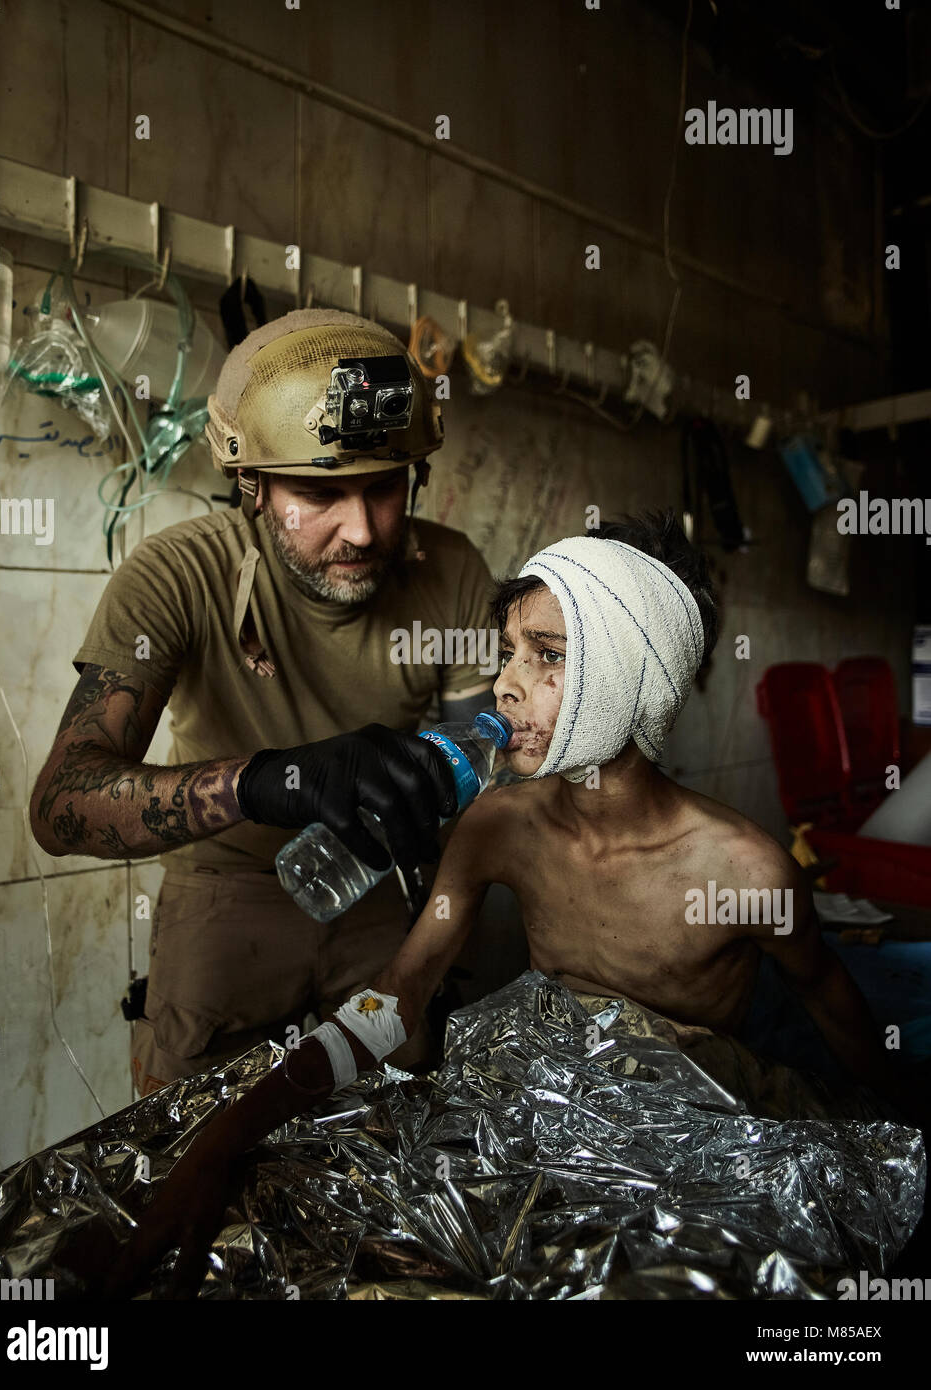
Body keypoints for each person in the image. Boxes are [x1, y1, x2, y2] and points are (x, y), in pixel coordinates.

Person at [106, 511, 916, 1297]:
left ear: (631, 676)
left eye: (547, 656)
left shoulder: (743, 873)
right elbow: (396, 998)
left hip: (689, 1150)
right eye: (507, 653)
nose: (505, 683)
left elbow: (828, 995)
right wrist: (224, 1140)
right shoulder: (500, 824)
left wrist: (893, 1109)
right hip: (542, 1137)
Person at [28, 308, 496, 1095]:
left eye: (384, 488)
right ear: (251, 485)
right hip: (225, 893)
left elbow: (482, 764)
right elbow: (61, 805)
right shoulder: (178, 574)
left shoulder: (449, 572)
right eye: (318, 494)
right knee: (195, 1145)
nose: (359, 530)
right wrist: (268, 781)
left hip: (377, 885)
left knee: (399, 1126)